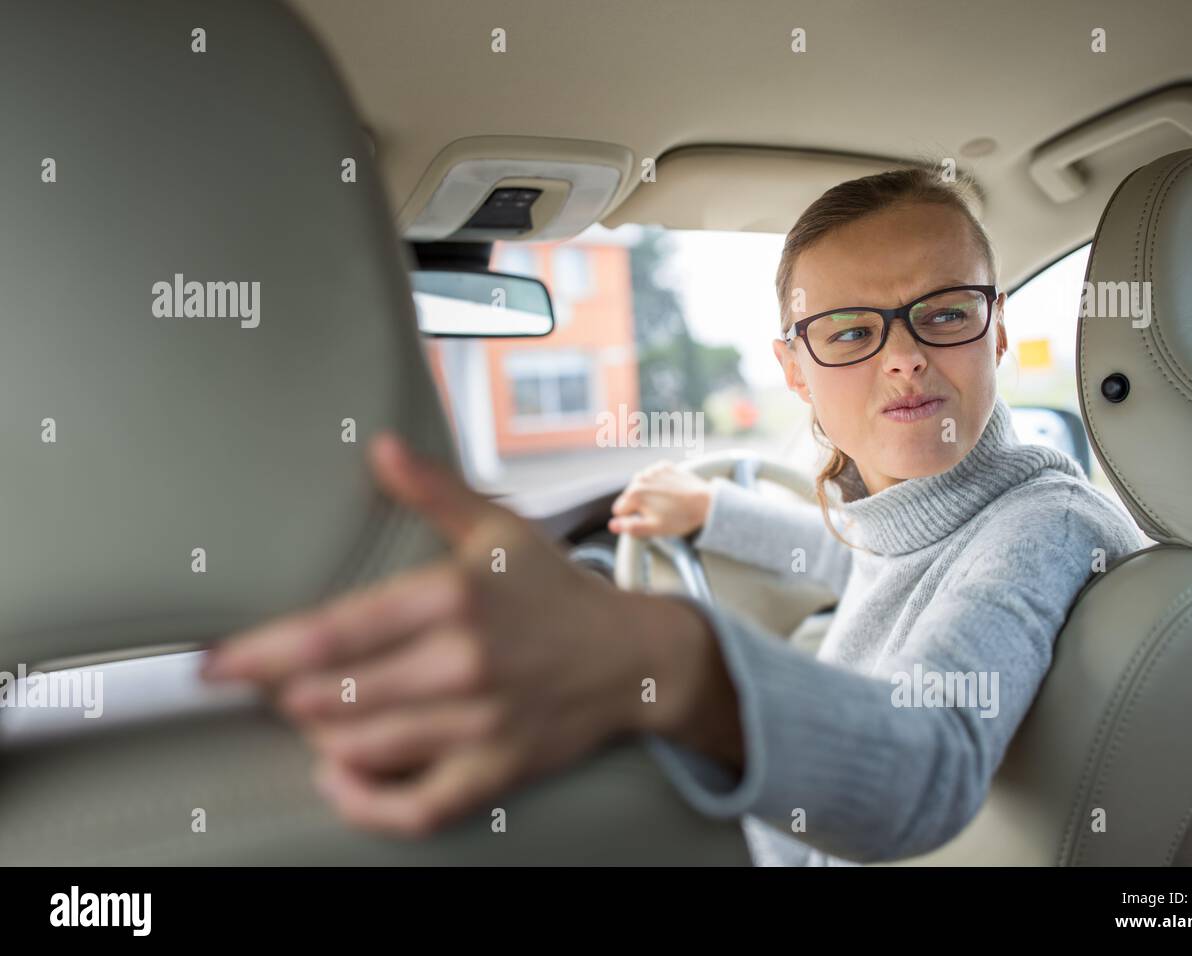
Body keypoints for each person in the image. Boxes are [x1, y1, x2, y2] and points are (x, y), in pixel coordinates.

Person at [201, 165, 1143, 865]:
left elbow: (930, 759)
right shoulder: (927, 518)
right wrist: (712, 512)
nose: (902, 358)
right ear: (794, 371)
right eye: (852, 332)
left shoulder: (1046, 523)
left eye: (942, 313)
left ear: (998, 328)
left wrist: (659, 656)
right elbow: (856, 562)